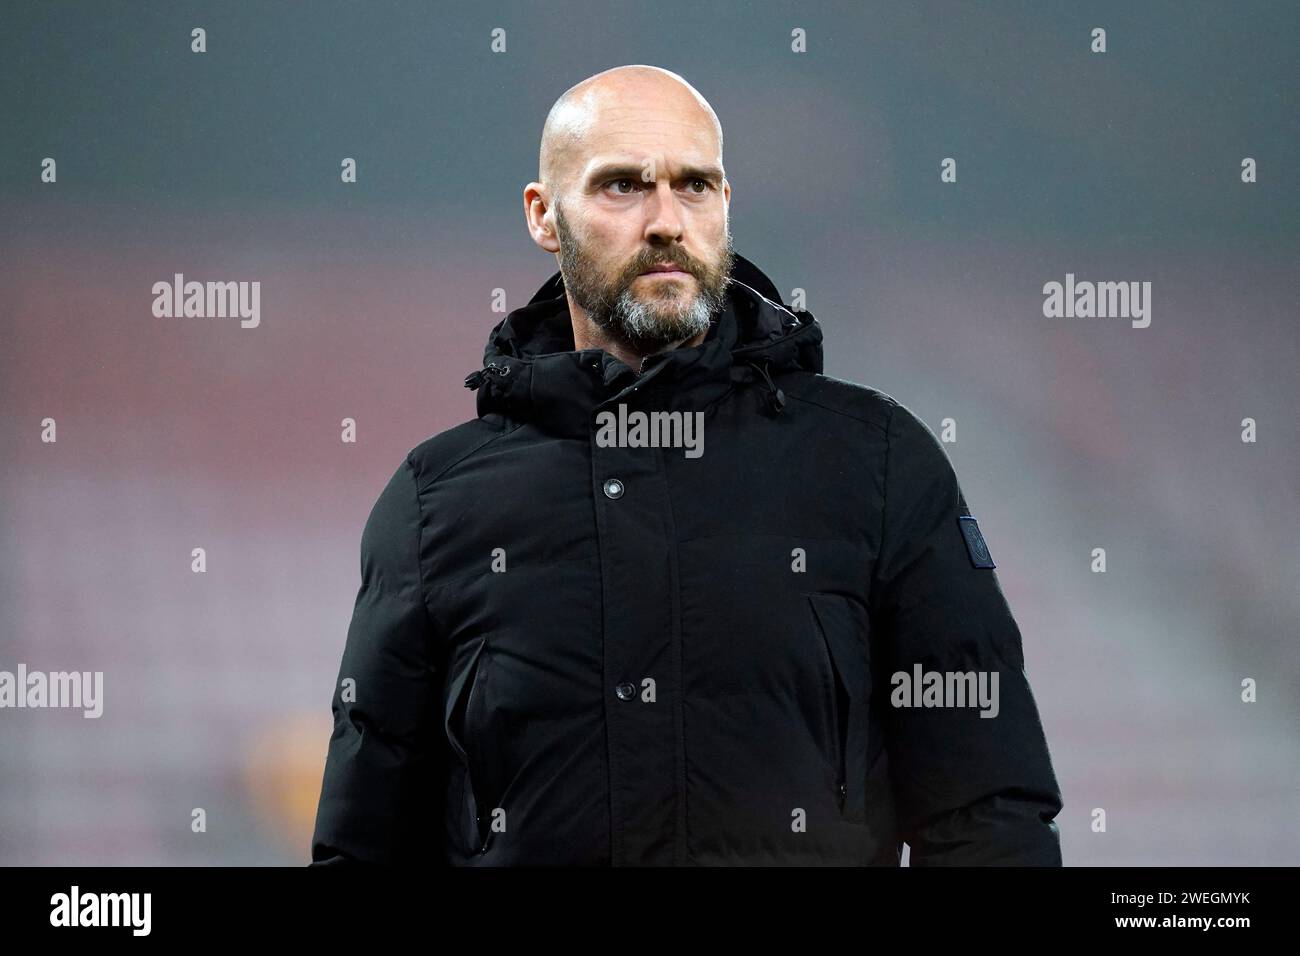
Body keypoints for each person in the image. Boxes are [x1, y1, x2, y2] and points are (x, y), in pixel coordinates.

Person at [310, 64, 1063, 866]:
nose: (667, 219)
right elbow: (364, 846)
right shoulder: (435, 503)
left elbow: (989, 818)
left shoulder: (876, 464)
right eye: (623, 186)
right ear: (544, 215)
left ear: (726, 205)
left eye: (694, 185)